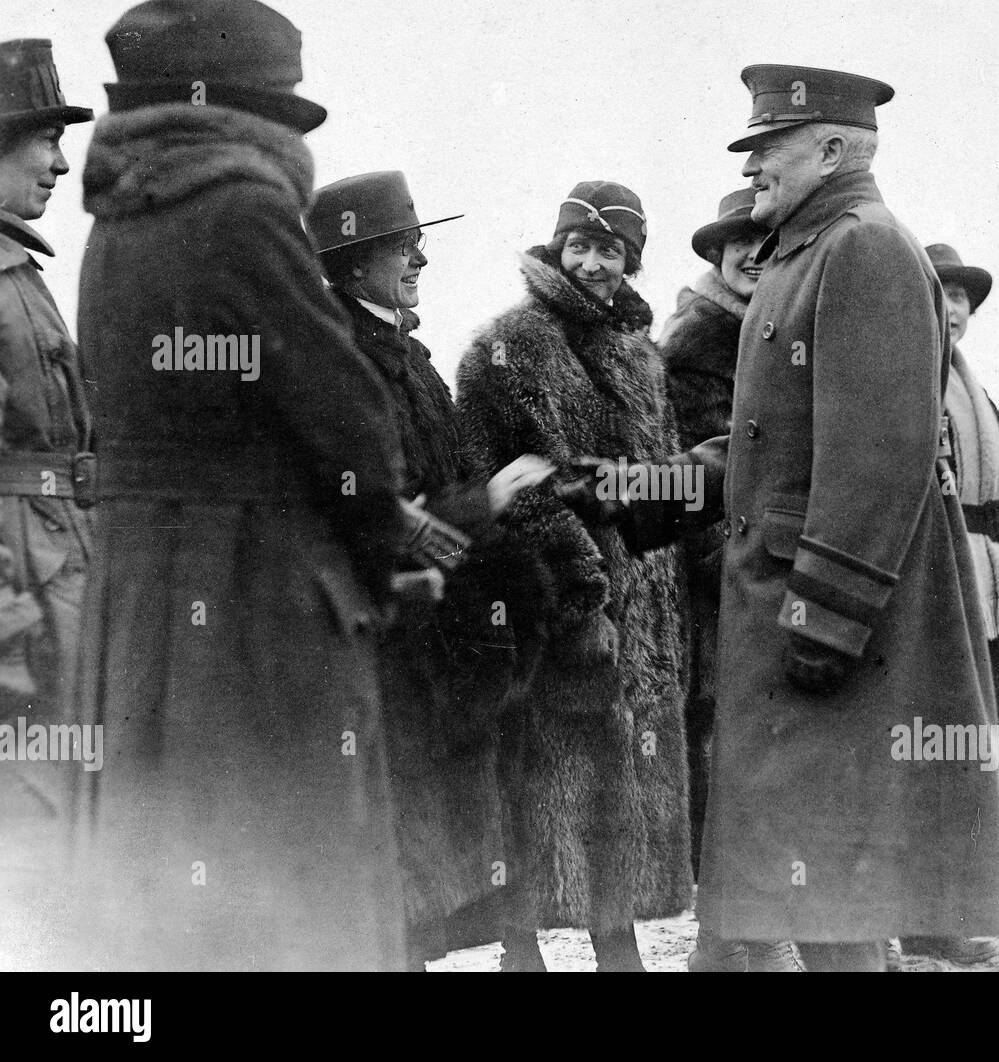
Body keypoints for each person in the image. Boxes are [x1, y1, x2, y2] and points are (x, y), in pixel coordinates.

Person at [563, 66, 999, 972]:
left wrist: (828, 614)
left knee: (826, 886)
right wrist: (634, 490)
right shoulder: (804, 251)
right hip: (784, 608)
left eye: (770, 148)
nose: (755, 164)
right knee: (796, 877)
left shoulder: (866, 248)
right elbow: (776, 447)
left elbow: (877, 455)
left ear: (835, 149)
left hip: (826, 620)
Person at [65, 0, 465, 970]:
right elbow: (340, 409)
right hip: (255, 597)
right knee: (298, 887)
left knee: (172, 892)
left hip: (141, 596)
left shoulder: (113, 227)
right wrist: (386, 548)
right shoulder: (243, 207)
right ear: (251, 115)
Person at [306, 171, 554, 969]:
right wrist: (486, 500)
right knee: (394, 852)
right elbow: (369, 511)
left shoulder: (407, 353)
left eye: (418, 244)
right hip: (389, 633)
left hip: (438, 636)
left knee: (433, 841)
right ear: (351, 266)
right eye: (400, 247)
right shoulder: (344, 360)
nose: (420, 260)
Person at [455, 181, 692, 971]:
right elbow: (496, 479)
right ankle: (521, 949)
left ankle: (617, 943)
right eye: (579, 247)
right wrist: (577, 564)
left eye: (610, 251)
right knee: (538, 776)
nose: (592, 264)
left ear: (632, 263)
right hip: (553, 598)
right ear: (557, 249)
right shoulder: (510, 345)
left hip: (644, 599)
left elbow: (663, 477)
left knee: (622, 771)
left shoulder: (642, 356)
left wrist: (651, 508)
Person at [658, 189, 798, 972]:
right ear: (715, 256)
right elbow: (700, 479)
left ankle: (732, 934)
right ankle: (733, 932)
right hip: (719, 580)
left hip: (751, 569)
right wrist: (744, 575)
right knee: (726, 752)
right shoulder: (702, 339)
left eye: (766, 239)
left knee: (749, 753)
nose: (752, 253)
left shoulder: (766, 327)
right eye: (737, 242)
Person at [900, 244, 999, 952]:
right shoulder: (908, 378)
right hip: (937, 575)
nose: (952, 310)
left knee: (986, 748)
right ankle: (924, 919)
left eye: (962, 299)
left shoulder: (972, 386)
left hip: (992, 581)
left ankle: (969, 905)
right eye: (940, 294)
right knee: (937, 749)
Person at [0, 38, 94, 960]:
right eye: (42, 141)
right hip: (21, 611)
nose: (61, 162)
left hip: (59, 580)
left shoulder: (22, 274)